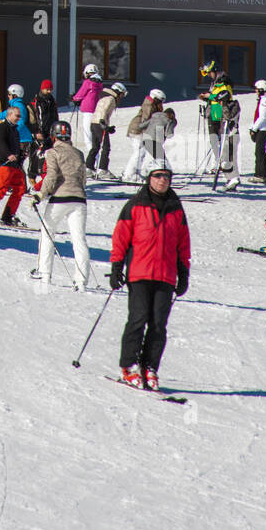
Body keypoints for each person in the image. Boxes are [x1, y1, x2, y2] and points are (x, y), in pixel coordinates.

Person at [109, 164, 191, 390]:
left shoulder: (176, 207)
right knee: (138, 319)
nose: (163, 180)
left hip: (166, 275)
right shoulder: (135, 205)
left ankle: (149, 367)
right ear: (149, 179)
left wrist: (183, 272)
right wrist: (116, 266)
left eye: (167, 176)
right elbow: (121, 237)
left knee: (158, 325)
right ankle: (129, 365)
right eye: (158, 176)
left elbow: (183, 242)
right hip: (140, 271)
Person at [31, 121, 90, 289]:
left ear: (53, 135)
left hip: (60, 198)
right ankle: (81, 280)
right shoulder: (79, 153)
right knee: (79, 239)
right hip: (79, 200)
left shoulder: (53, 152)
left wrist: (40, 195)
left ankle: (44, 273)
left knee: (47, 233)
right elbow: (83, 178)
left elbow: (51, 176)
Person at [0, 83, 39, 181]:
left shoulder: (19, 106)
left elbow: (21, 122)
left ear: (15, 95)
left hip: (23, 140)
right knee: (14, 163)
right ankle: (15, 184)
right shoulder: (15, 105)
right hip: (19, 139)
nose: (8, 96)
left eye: (9, 94)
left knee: (17, 163)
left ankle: (21, 186)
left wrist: (12, 133)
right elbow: (5, 114)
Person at [123, 88, 169, 183]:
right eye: (160, 100)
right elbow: (146, 120)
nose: (161, 103)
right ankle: (130, 174)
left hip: (139, 130)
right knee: (139, 152)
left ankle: (131, 173)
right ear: (155, 98)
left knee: (140, 152)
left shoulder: (152, 104)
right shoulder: (149, 105)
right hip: (137, 130)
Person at [87, 81, 127, 178]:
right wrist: (103, 123)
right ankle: (102, 169)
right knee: (106, 147)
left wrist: (107, 127)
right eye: (121, 94)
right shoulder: (111, 98)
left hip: (94, 123)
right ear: (118, 92)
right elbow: (104, 110)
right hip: (100, 123)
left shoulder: (104, 96)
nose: (121, 97)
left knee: (95, 146)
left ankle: (88, 168)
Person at [70, 63, 104, 151]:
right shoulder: (99, 83)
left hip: (88, 111)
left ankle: (91, 158)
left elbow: (80, 94)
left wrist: (73, 98)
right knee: (94, 135)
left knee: (87, 136)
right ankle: (96, 157)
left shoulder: (88, 82)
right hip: (96, 111)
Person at [249, 79, 266, 184]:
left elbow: (263, 117)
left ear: (261, 90)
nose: (255, 91)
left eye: (257, 89)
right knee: (261, 151)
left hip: (263, 128)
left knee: (259, 151)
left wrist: (254, 129)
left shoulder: (265, 101)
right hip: (262, 127)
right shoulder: (264, 99)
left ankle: (260, 175)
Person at [34, 79, 59, 150]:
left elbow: (55, 114)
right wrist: (39, 130)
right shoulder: (38, 100)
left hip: (52, 128)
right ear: (42, 89)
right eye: (47, 89)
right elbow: (38, 115)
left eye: (50, 90)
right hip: (42, 129)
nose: (49, 91)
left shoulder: (52, 100)